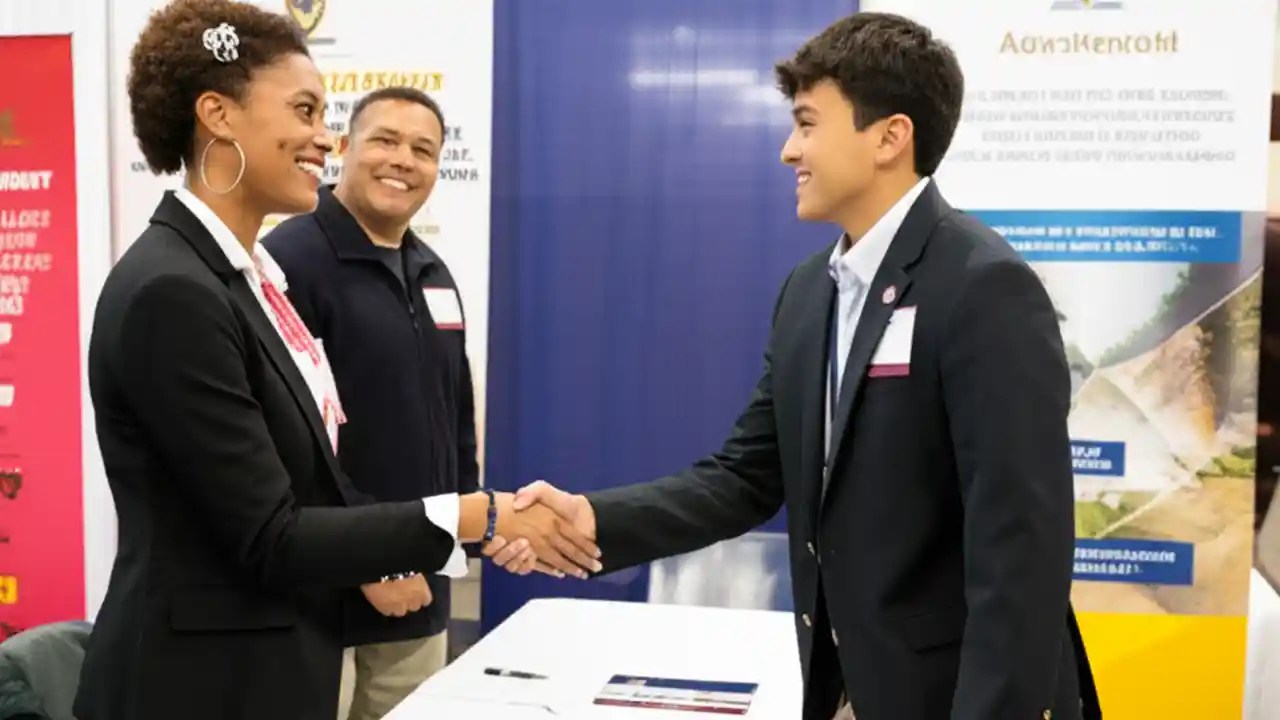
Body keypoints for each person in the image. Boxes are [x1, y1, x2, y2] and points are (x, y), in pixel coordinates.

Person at [513, 12, 1100, 720]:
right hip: (849, 687)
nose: (789, 151)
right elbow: (743, 477)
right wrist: (591, 519)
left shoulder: (983, 286)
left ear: (891, 137)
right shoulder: (808, 292)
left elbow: (1021, 552)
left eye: (808, 124)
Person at [75, 2, 600, 719]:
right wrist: (480, 515)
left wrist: (476, 522)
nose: (323, 137)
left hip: (270, 664)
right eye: (304, 110)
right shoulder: (175, 290)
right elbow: (273, 533)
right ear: (218, 115)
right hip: (199, 684)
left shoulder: (246, 280)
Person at [260, 88, 479, 719]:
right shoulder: (288, 263)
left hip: (419, 590)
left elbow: (453, 418)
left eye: (423, 150)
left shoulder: (433, 271)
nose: (403, 160)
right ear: (344, 147)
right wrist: (370, 563)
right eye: (385, 140)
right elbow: (281, 439)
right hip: (320, 595)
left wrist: (469, 528)